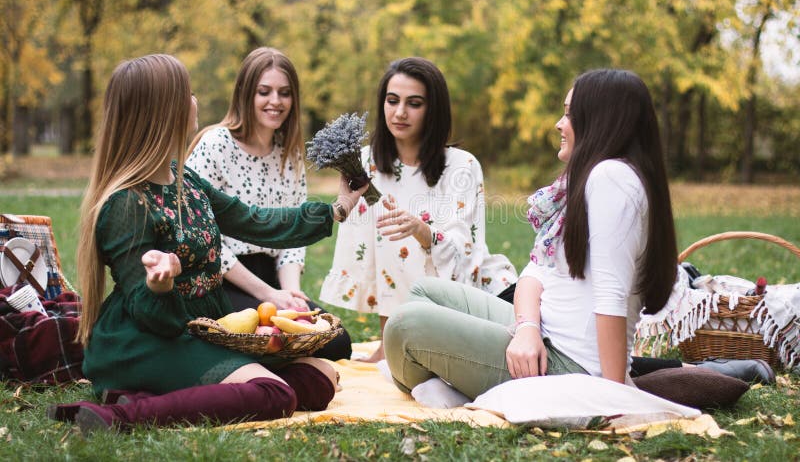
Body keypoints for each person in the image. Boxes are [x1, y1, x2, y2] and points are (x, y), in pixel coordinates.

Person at [47, 54, 366, 432]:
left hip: (203, 323)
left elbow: (255, 221)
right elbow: (151, 314)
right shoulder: (126, 204)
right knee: (276, 394)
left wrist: (337, 209)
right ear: (162, 110)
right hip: (149, 340)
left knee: (321, 376)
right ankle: (120, 416)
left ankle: (153, 397)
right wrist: (159, 285)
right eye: (188, 93)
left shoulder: (184, 178)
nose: (195, 101)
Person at [384, 68, 681, 400]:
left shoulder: (612, 179)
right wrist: (528, 329)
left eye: (569, 114)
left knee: (405, 326)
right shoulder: (581, 182)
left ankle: (449, 388)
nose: (559, 123)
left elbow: (610, 294)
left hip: (567, 366)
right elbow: (537, 270)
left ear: (600, 120)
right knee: (426, 291)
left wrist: (612, 395)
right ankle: (454, 383)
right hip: (539, 336)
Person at [319, 57, 517, 363]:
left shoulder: (462, 167)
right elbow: (375, 253)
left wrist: (422, 231)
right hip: (410, 319)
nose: (400, 112)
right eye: (392, 100)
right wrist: (388, 345)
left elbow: (465, 249)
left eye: (414, 103)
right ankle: (396, 344)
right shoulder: (365, 164)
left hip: (478, 297)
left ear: (433, 110)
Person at [187, 47, 352, 361]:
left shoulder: (289, 153)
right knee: (260, 343)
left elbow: (293, 234)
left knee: (337, 342)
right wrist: (268, 294)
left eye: (284, 93)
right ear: (245, 95)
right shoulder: (216, 145)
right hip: (224, 279)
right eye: (264, 92)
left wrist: (290, 293)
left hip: (273, 277)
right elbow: (200, 235)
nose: (275, 101)